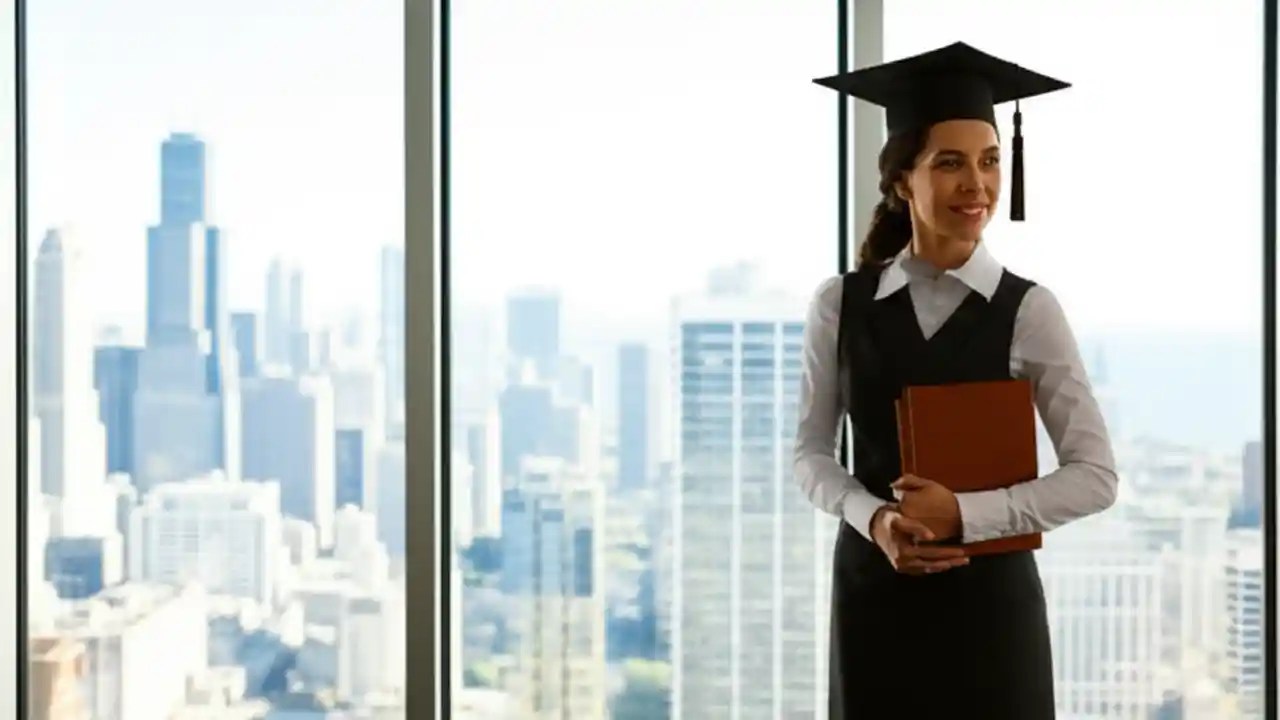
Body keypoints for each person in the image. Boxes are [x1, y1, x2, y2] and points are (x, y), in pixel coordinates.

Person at [797, 42, 1119, 719]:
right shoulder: (840, 305)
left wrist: (966, 517)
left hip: (991, 615)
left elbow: (1095, 476)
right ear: (900, 181)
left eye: (989, 160)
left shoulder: (1030, 310)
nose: (977, 184)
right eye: (950, 163)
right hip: (872, 598)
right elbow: (811, 457)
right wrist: (876, 518)